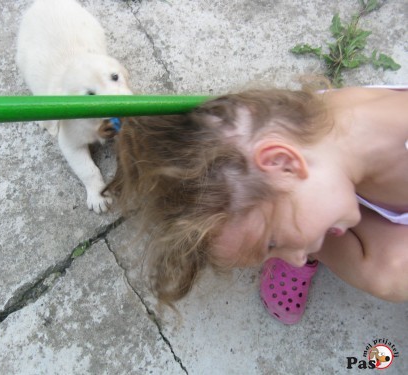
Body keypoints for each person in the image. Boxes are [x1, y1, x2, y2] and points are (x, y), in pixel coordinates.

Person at [104, 86, 408, 324]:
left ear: (283, 163)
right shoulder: (316, 141)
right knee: (388, 273)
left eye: (273, 243)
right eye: (273, 246)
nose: (297, 260)